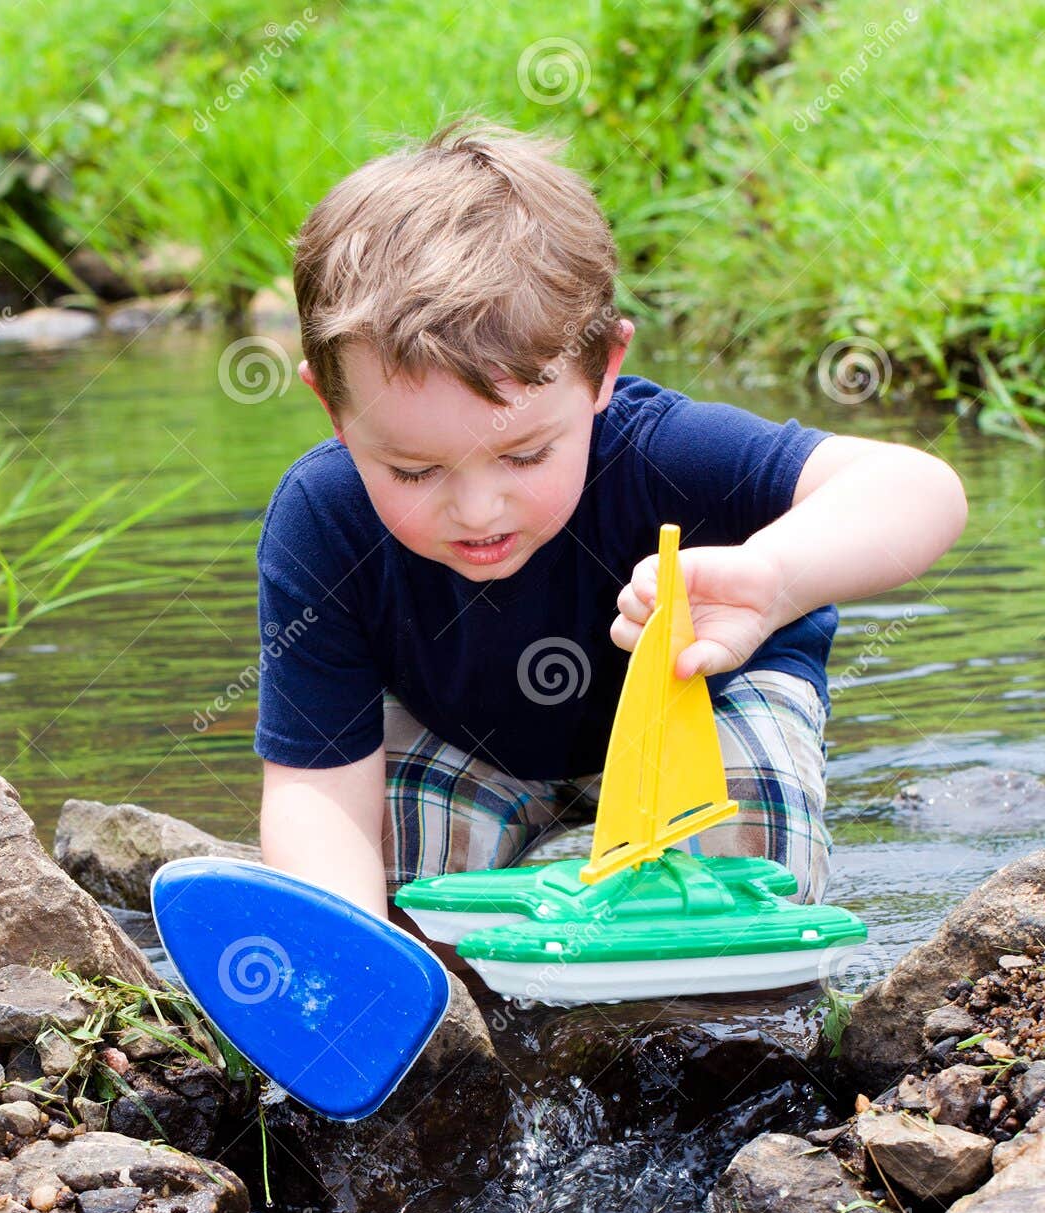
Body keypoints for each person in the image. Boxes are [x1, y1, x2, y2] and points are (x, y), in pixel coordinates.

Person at [253, 119, 967, 921]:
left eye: (524, 456)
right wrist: (357, 957)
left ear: (604, 369)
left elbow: (919, 488)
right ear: (333, 408)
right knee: (407, 905)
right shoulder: (325, 520)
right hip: (471, 737)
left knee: (745, 884)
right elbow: (317, 797)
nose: (478, 508)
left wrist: (774, 578)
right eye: (414, 471)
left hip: (706, 699)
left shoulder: (666, 453)